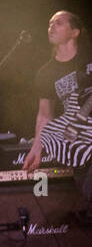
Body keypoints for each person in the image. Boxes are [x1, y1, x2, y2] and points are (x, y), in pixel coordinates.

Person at [23, 12, 92, 212]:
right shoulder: (46, 73)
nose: (51, 27)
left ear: (75, 32)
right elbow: (44, 115)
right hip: (79, 144)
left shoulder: (89, 57)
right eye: (50, 23)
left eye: (59, 23)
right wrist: (37, 147)